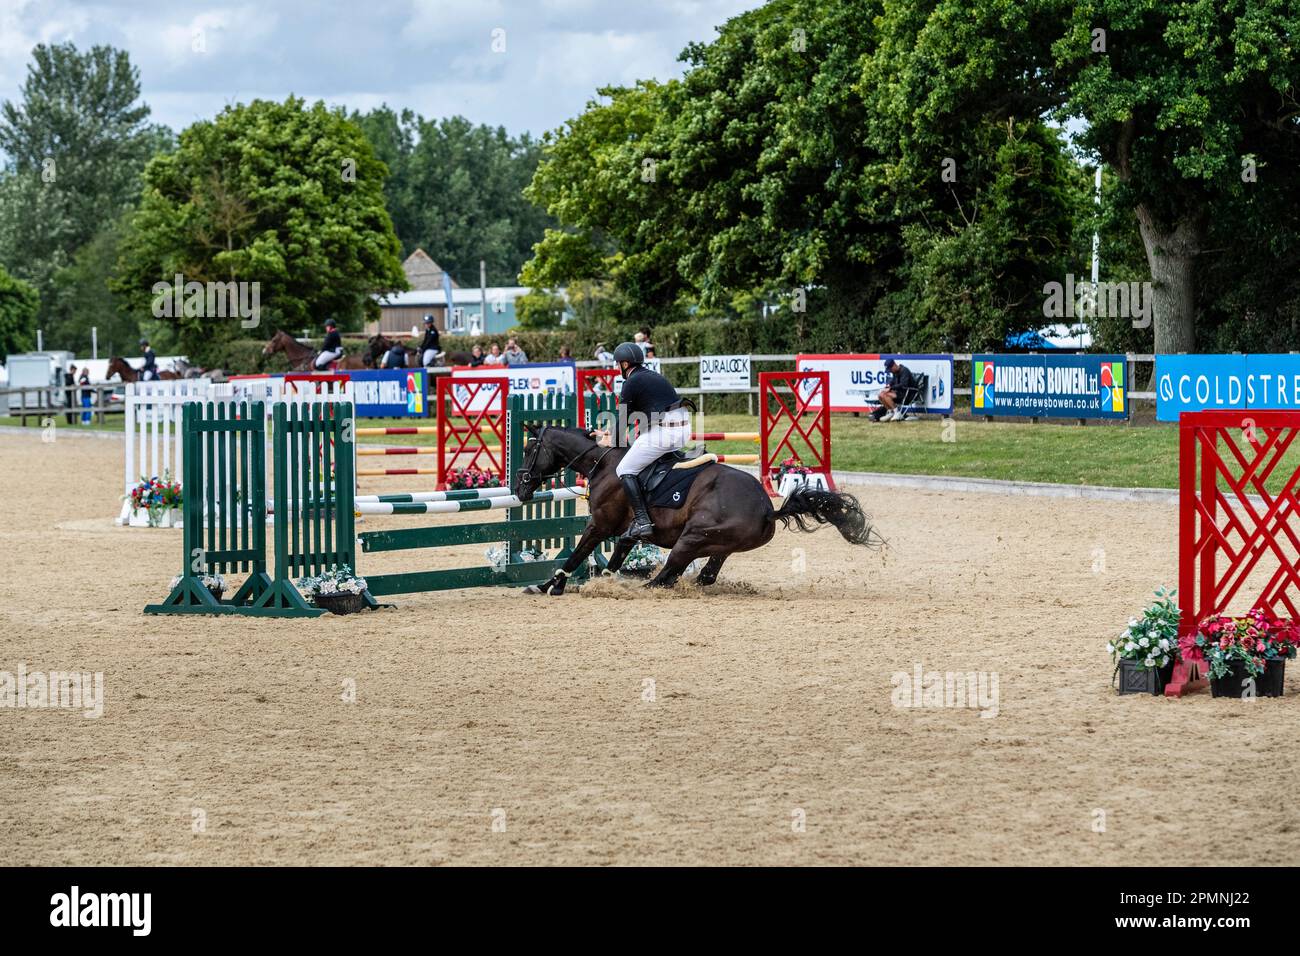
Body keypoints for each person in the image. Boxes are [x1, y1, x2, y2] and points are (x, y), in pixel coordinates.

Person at [612, 342, 689, 540]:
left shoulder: (631, 382)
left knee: (624, 469)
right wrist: (608, 432)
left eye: (618, 363)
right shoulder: (651, 375)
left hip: (665, 432)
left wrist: (609, 440)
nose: (617, 367)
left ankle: (642, 521)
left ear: (625, 363)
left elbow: (622, 422)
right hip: (682, 429)